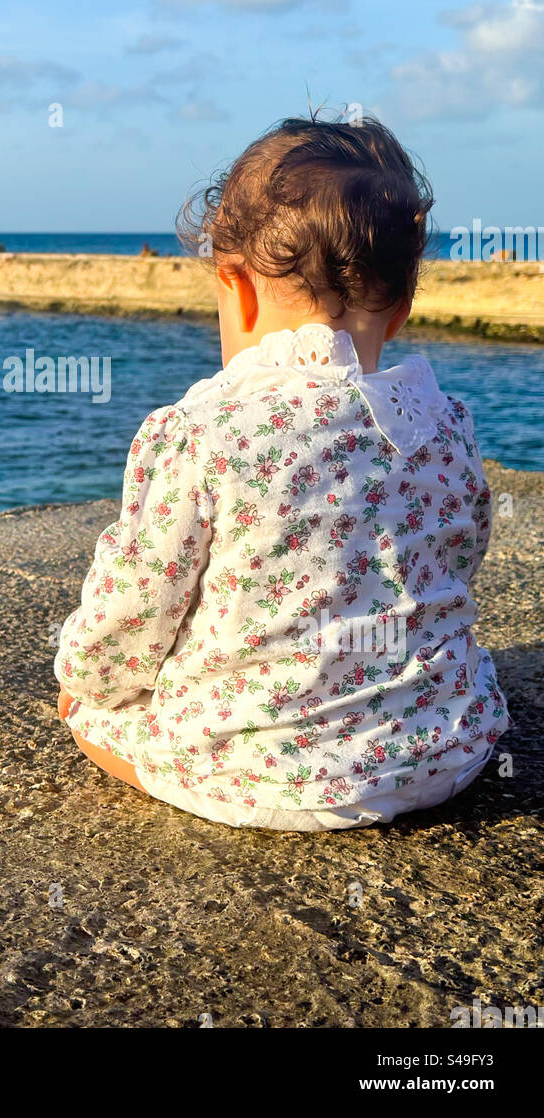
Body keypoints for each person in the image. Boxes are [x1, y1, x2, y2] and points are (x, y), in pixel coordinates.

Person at [55, 114, 511, 830]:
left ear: (235, 288)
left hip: (263, 776)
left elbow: (137, 605)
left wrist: (86, 680)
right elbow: (461, 552)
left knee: (92, 720)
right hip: (444, 752)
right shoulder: (443, 421)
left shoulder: (203, 432)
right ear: (401, 307)